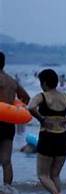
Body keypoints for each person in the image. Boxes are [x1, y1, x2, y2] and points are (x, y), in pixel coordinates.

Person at [28, 69, 66, 194]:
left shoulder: (42, 96)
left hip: (47, 137)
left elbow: (30, 107)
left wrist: (41, 119)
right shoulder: (65, 97)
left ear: (44, 83)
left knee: (42, 175)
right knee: (55, 175)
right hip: (62, 137)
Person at [0, 51, 30, 185]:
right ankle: (7, 190)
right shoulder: (12, 81)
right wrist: (15, 108)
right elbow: (26, 97)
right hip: (8, 124)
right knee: (6, 161)